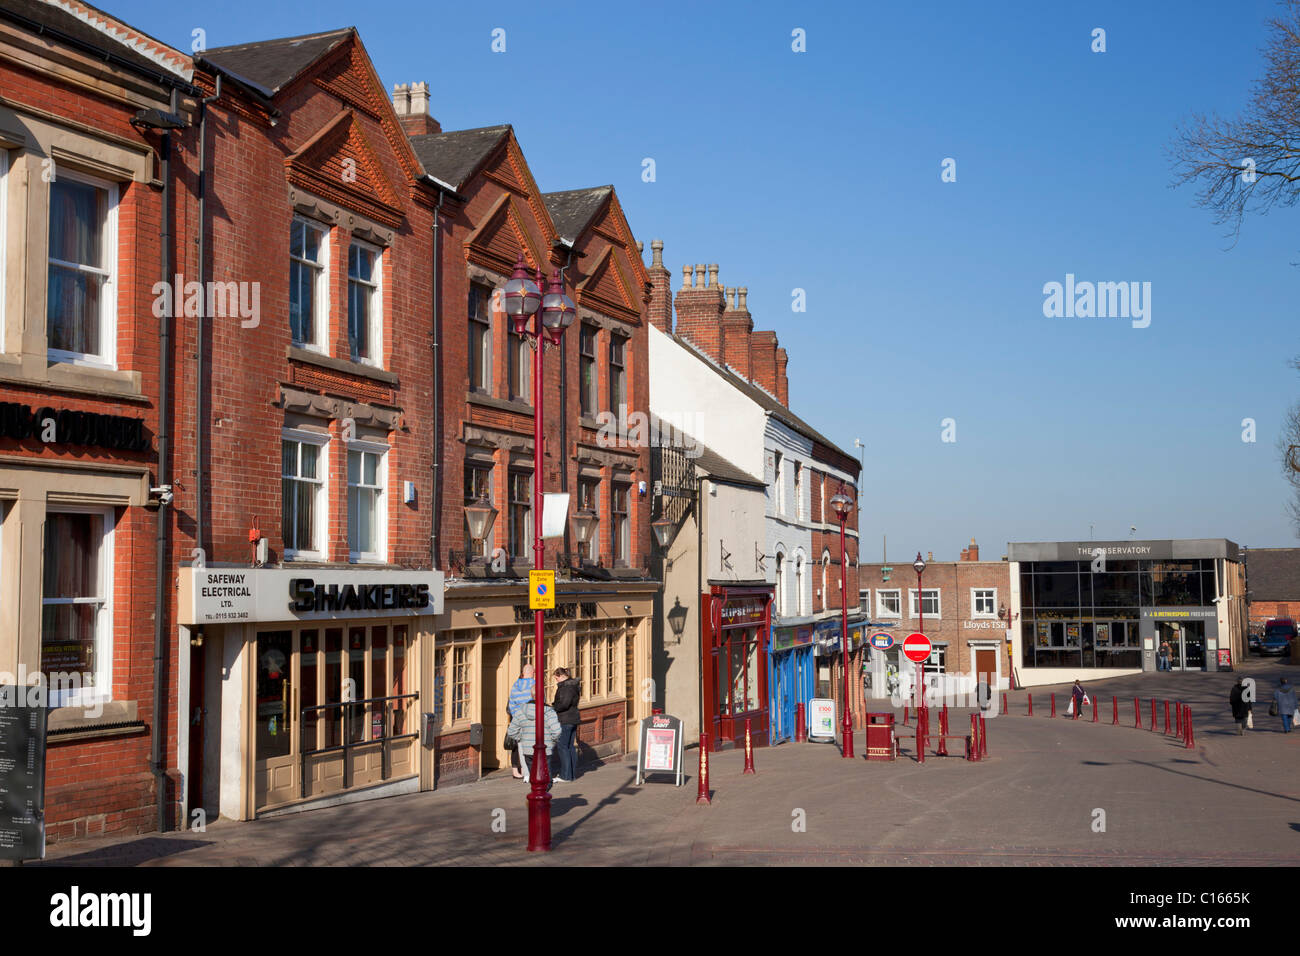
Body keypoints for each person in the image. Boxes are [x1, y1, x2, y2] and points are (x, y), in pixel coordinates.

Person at [507, 698, 561, 785]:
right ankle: (541, 797)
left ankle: (538, 797)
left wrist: (522, 740)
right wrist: (552, 742)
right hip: (545, 750)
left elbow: (511, 732)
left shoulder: (520, 711)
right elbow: (557, 731)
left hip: (528, 750)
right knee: (547, 780)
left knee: (534, 779)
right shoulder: (549, 712)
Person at [550, 667, 581, 782]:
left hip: (566, 720)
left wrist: (554, 707)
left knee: (563, 747)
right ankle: (571, 774)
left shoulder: (566, 687)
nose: (556, 680)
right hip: (573, 718)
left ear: (561, 676)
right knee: (569, 747)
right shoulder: (573, 685)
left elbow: (564, 704)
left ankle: (565, 775)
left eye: (556, 678)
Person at [506, 665, 535, 779]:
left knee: (519, 746)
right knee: (532, 746)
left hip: (518, 720)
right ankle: (527, 771)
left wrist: (517, 716)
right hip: (531, 720)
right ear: (532, 672)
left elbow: (511, 704)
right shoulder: (535, 684)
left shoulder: (515, 685)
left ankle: (521, 772)